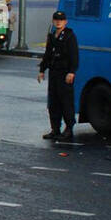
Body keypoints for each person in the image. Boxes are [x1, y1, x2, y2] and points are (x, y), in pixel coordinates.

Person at [38, 9, 79, 141]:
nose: (58, 22)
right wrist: (42, 70)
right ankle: (55, 129)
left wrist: (72, 71)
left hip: (64, 73)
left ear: (65, 22)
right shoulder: (52, 36)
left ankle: (69, 128)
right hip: (54, 72)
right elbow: (48, 55)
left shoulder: (69, 36)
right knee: (53, 102)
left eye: (61, 20)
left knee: (66, 101)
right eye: (56, 20)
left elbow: (74, 56)